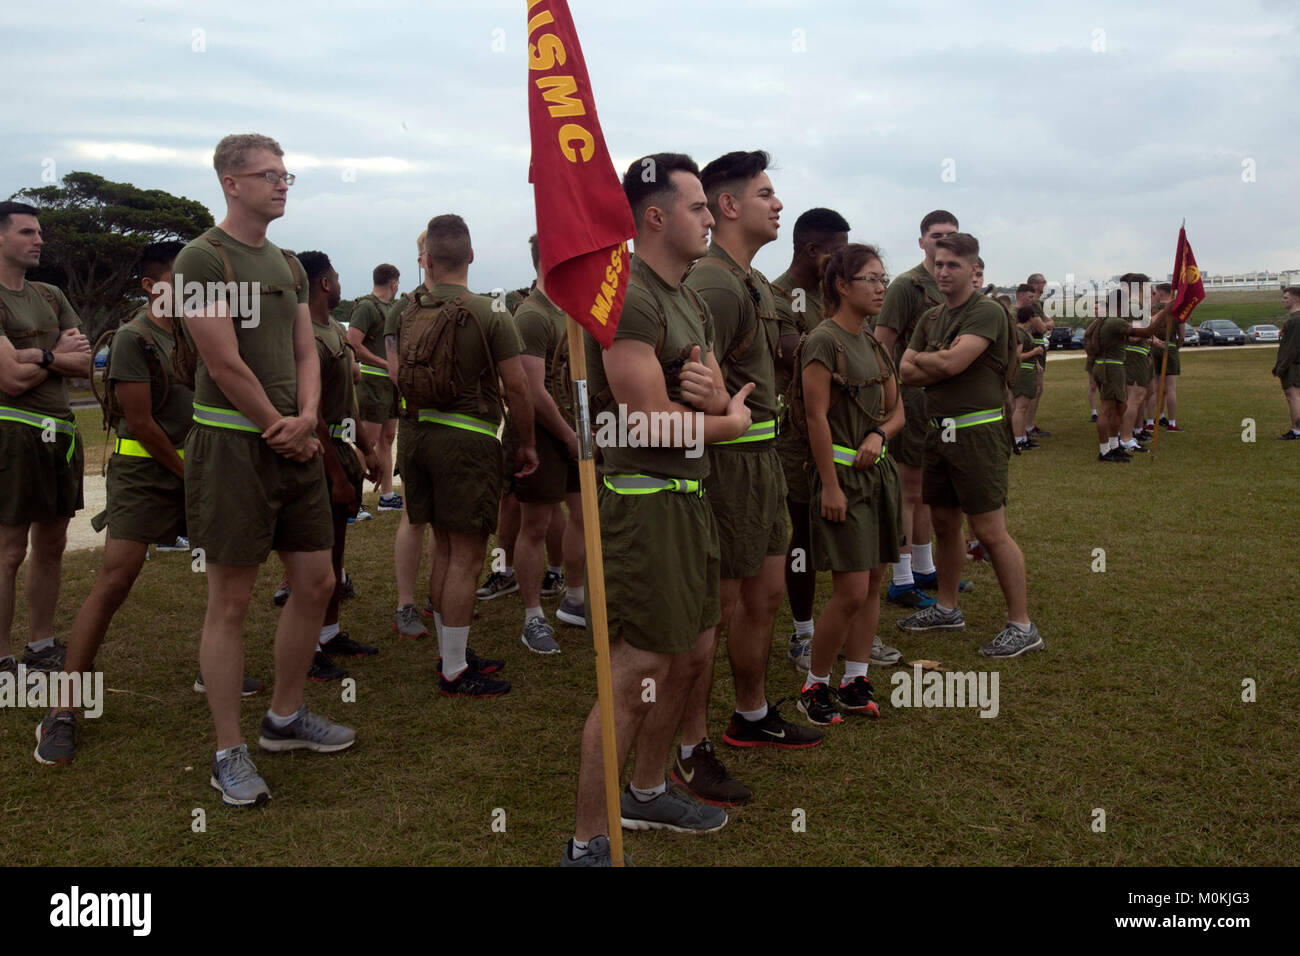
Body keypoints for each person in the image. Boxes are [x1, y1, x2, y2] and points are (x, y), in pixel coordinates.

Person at [563, 153, 755, 865]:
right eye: (700, 206)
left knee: (694, 652)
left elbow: (718, 387)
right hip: (646, 505)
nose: (712, 216)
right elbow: (644, 423)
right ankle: (588, 840)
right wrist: (722, 423)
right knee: (633, 675)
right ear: (655, 216)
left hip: (691, 497)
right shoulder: (629, 295)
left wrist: (711, 405)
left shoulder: (689, 295)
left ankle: (646, 792)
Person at [175, 134, 356, 807]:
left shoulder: (284, 261)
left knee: (316, 581)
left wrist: (306, 417)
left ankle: (284, 716)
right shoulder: (204, 257)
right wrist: (277, 427)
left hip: (295, 444)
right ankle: (229, 750)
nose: (283, 185)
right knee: (230, 600)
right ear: (231, 182)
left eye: (287, 175)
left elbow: (306, 351)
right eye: (270, 175)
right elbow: (220, 361)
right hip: (233, 447)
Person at [670, 150, 820, 809]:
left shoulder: (751, 282)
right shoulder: (717, 284)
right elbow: (686, 386)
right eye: (765, 194)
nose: (777, 205)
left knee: (762, 598)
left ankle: (751, 714)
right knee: (718, 609)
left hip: (763, 459)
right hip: (728, 464)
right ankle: (688, 747)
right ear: (729, 206)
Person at [33, 242, 199, 762]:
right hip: (145, 475)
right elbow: (143, 424)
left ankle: (218, 671)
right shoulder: (133, 338)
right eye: (183, 278)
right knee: (115, 580)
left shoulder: (194, 334)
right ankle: (61, 707)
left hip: (191, 471)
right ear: (153, 287)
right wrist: (191, 476)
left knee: (226, 571)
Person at [384, 214, 537, 696]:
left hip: (414, 438)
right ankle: (453, 669)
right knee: (467, 557)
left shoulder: (402, 311)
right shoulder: (491, 312)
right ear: (471, 256)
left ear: (426, 259)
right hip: (466, 442)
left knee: (444, 548)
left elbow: (393, 374)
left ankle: (451, 650)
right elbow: (517, 386)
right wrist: (526, 443)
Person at [898, 232, 1043, 658]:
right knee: (944, 523)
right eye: (939, 264)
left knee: (989, 531)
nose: (943, 271)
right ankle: (947, 607)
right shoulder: (932, 318)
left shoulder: (986, 312)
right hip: (938, 428)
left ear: (974, 270)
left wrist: (934, 362)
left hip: (977, 430)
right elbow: (906, 370)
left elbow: (951, 362)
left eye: (953, 266)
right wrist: (935, 363)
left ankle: (1022, 624)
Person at [795, 244, 904, 725]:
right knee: (850, 591)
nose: (881, 287)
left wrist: (880, 435)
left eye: (884, 278)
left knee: (874, 580)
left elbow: (897, 410)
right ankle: (814, 685)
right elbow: (815, 417)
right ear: (842, 286)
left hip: (879, 477)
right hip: (841, 478)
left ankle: (855, 679)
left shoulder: (876, 343)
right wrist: (830, 486)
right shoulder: (824, 340)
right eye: (871, 279)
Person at [0, 201, 90, 677]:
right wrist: (56, 355)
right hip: (12, 432)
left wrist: (37, 356)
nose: (38, 240)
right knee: (9, 549)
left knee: (51, 543)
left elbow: (84, 363)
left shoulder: (51, 295)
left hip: (62, 432)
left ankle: (41, 643)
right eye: (26, 232)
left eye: (39, 233)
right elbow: (9, 383)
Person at [295, 251, 382, 682]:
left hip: (344, 449)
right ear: (324, 283)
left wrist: (368, 448)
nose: (341, 282)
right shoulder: (306, 334)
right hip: (319, 456)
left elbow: (346, 402)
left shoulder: (334, 331)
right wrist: (334, 475)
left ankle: (329, 633)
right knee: (315, 557)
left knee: (336, 551)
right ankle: (307, 647)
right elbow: (311, 415)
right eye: (336, 276)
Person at [771, 208, 849, 670]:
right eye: (837, 252)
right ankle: (803, 633)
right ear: (812, 250)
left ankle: (849, 627)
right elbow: (790, 354)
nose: (845, 262)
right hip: (798, 434)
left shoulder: (834, 294)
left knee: (849, 531)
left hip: (846, 431)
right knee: (801, 536)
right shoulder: (782, 296)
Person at [872, 210, 958, 610]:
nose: (943, 241)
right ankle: (902, 579)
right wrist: (888, 399)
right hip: (910, 397)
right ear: (921, 240)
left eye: (951, 236)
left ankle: (924, 569)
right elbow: (882, 344)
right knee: (908, 490)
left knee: (926, 490)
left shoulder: (950, 286)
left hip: (942, 402)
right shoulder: (907, 286)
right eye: (936, 235)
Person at [506, 233, 587, 654]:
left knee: (582, 514)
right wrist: (570, 435)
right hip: (543, 433)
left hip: (575, 431)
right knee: (535, 525)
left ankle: (575, 598)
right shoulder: (533, 315)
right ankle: (533, 616)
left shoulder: (571, 311)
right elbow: (533, 392)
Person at [346, 263, 402, 512]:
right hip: (372, 381)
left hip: (390, 384)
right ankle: (351, 501)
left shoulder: (393, 308)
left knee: (388, 439)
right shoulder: (366, 306)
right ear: (394, 283)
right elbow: (354, 345)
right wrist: (386, 363)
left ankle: (387, 496)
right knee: (366, 443)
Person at [1025, 273, 1053, 439]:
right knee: (1034, 388)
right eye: (1043, 282)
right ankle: (1027, 426)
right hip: (1033, 346)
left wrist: (1046, 323)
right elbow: (1042, 327)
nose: (1045, 286)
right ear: (1035, 284)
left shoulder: (1038, 303)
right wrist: (1048, 324)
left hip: (1038, 346)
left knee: (1038, 388)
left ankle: (1028, 425)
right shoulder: (1033, 302)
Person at [1011, 305, 1042, 451]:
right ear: (1030, 318)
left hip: (1028, 372)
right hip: (1023, 373)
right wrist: (1035, 351)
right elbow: (1017, 356)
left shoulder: (1023, 331)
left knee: (1024, 407)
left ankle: (1023, 437)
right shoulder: (1020, 333)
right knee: (1020, 407)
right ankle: (1018, 440)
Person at [1273, 285, 1300, 439]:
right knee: (1291, 395)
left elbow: (1292, 348)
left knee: (1293, 395)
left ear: (1295, 300)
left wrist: (1281, 367)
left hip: (1293, 364)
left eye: (1286, 298)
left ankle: (1297, 430)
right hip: (1291, 364)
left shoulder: (1296, 321)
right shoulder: (1293, 320)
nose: (1283, 301)